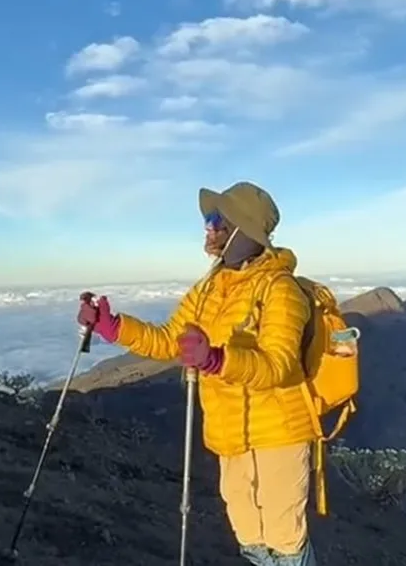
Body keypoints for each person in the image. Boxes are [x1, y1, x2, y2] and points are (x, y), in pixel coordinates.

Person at [77, 182, 318, 566]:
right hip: (229, 433)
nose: (208, 227)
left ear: (242, 229)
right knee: (251, 539)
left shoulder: (280, 289)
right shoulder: (210, 287)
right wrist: (114, 326)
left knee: (284, 542)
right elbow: (169, 341)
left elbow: (279, 365)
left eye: (216, 219)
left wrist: (216, 361)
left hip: (278, 433)